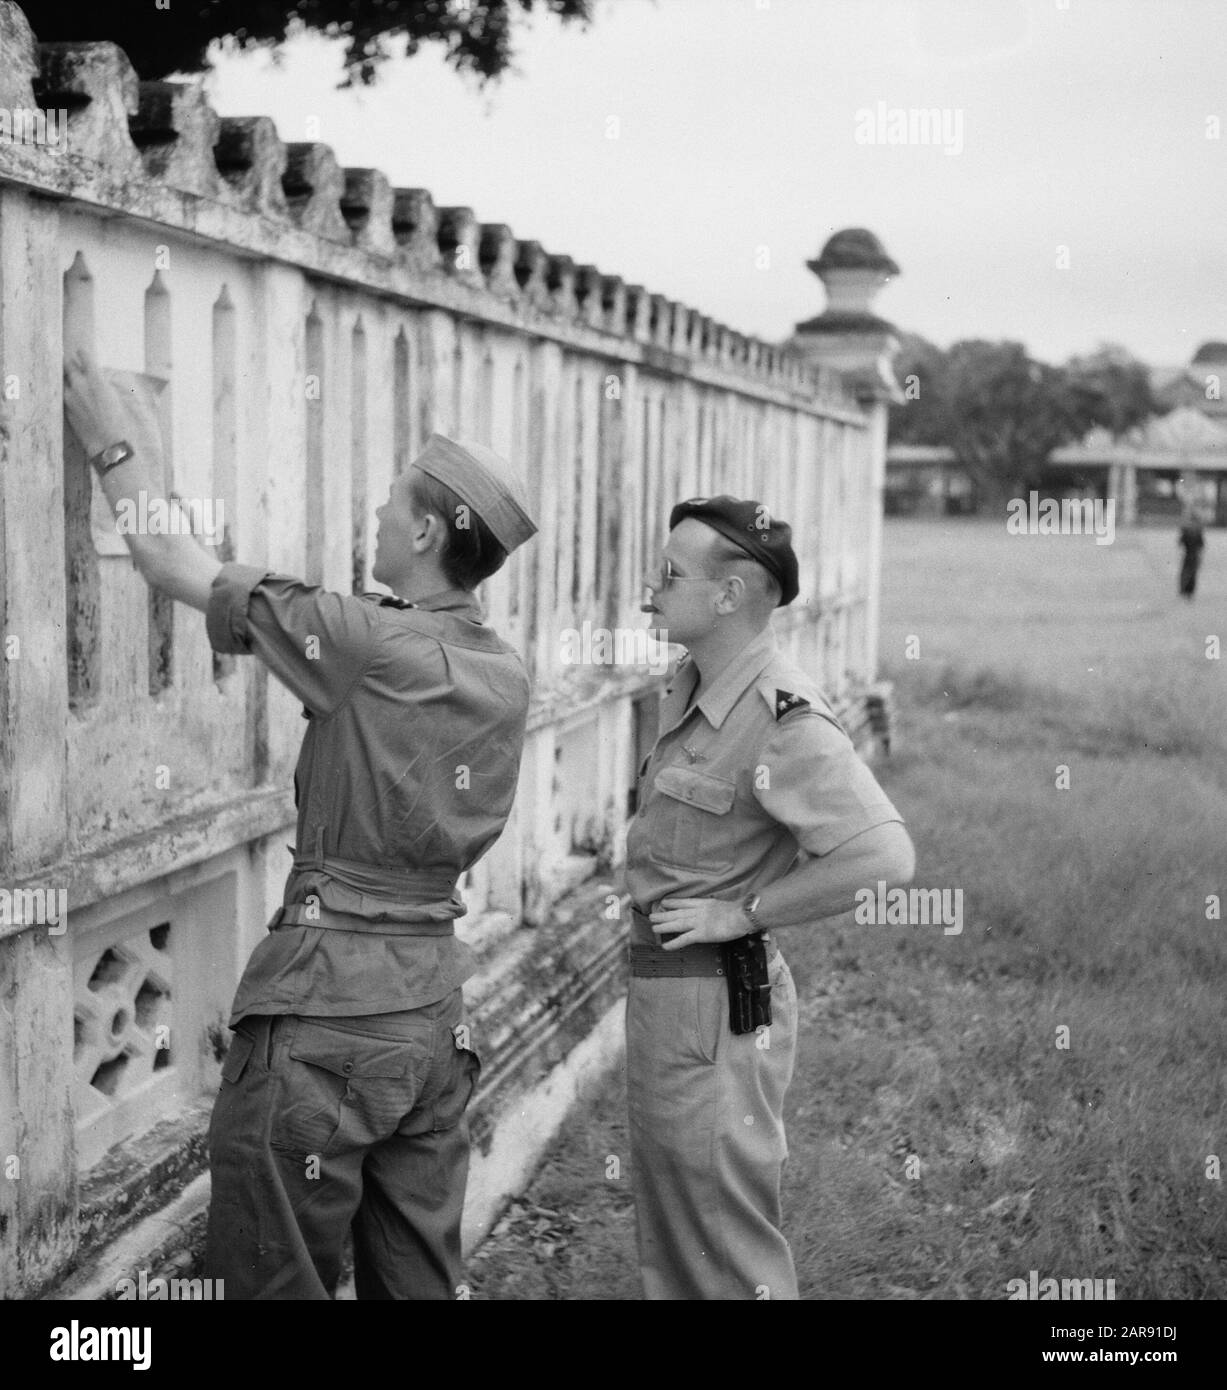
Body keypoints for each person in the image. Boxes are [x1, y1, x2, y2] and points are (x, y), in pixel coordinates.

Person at [62, 348, 537, 1300]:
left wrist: (111, 438)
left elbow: (166, 559)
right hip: (430, 1018)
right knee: (418, 1284)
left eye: (393, 502)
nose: (374, 513)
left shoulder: (365, 644)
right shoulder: (504, 670)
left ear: (434, 529)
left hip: (325, 1022)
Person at [624, 495, 915, 1300]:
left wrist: (742, 912)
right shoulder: (691, 689)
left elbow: (883, 855)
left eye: (670, 574)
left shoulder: (777, 716)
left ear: (729, 595)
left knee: (720, 1245)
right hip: (671, 1000)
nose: (652, 589)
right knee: (680, 1243)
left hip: (711, 1005)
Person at [1177, 509, 1205, 598]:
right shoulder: (1198, 530)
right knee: (1192, 573)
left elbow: (1180, 542)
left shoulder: (1186, 530)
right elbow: (1201, 544)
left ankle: (1184, 589)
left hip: (1188, 554)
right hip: (1194, 554)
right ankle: (1189, 591)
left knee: (1186, 572)